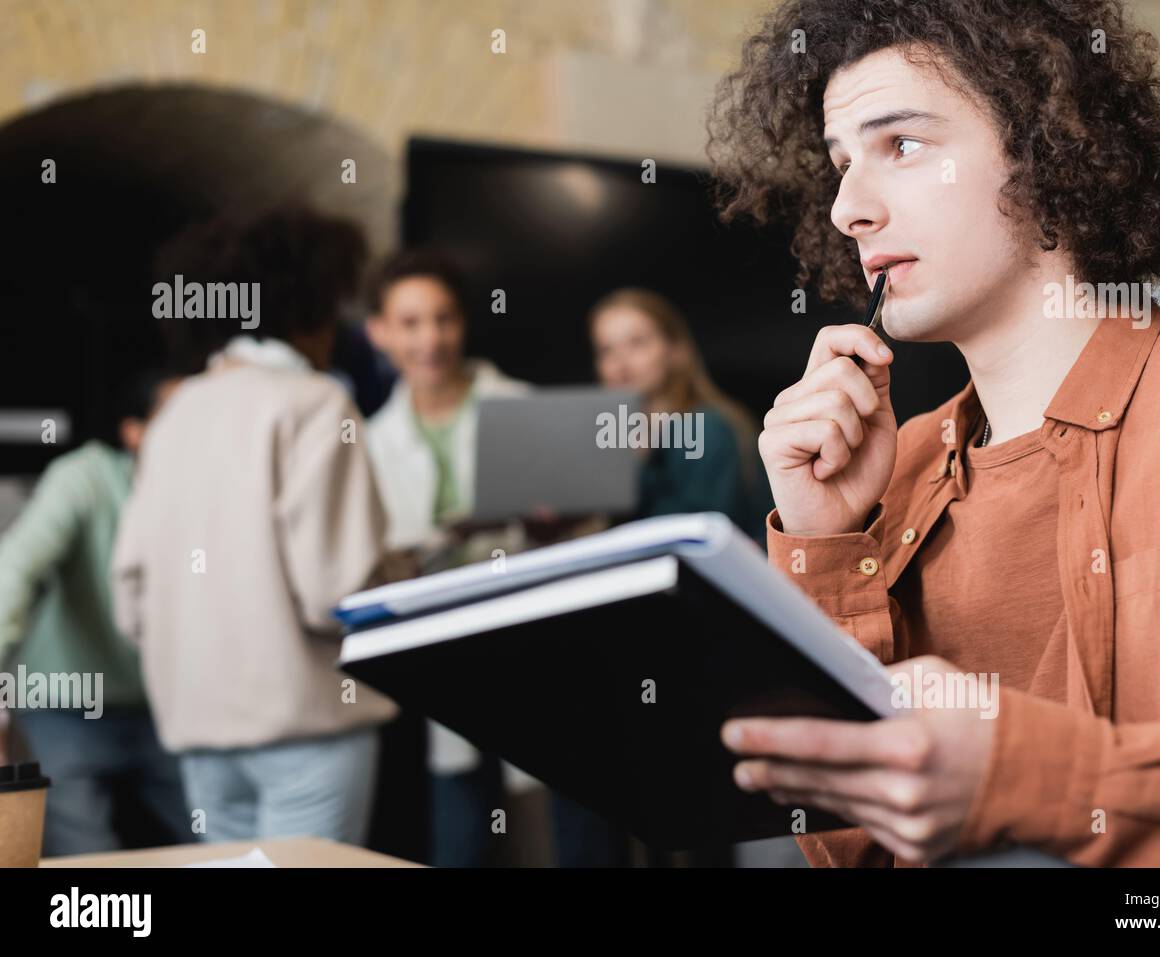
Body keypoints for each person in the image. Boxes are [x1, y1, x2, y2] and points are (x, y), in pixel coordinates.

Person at [707, 0, 1160, 866]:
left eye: (901, 145)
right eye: (840, 164)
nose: (845, 208)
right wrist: (823, 547)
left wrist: (1034, 776)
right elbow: (847, 847)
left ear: (1047, 152)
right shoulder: (893, 471)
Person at [112, 207, 397, 846]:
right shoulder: (316, 404)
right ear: (310, 304)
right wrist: (402, 568)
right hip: (309, 725)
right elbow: (336, 596)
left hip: (196, 727)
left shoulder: (175, 411)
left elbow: (131, 602)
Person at [363, 247, 552, 866]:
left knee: (546, 825)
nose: (431, 339)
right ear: (380, 332)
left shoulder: (520, 404)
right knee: (461, 827)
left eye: (444, 318)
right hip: (438, 650)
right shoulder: (368, 439)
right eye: (411, 323)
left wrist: (554, 517)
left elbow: (587, 526)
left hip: (533, 639)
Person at [0, 369, 191, 856]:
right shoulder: (84, 476)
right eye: (178, 417)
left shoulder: (205, 494)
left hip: (162, 708)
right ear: (133, 432)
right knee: (86, 857)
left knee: (213, 839)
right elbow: (15, 570)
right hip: (64, 702)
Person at [588, 289, 772, 543]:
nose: (620, 361)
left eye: (637, 343)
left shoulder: (706, 426)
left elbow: (691, 534)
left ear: (676, 350)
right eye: (606, 350)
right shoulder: (620, 437)